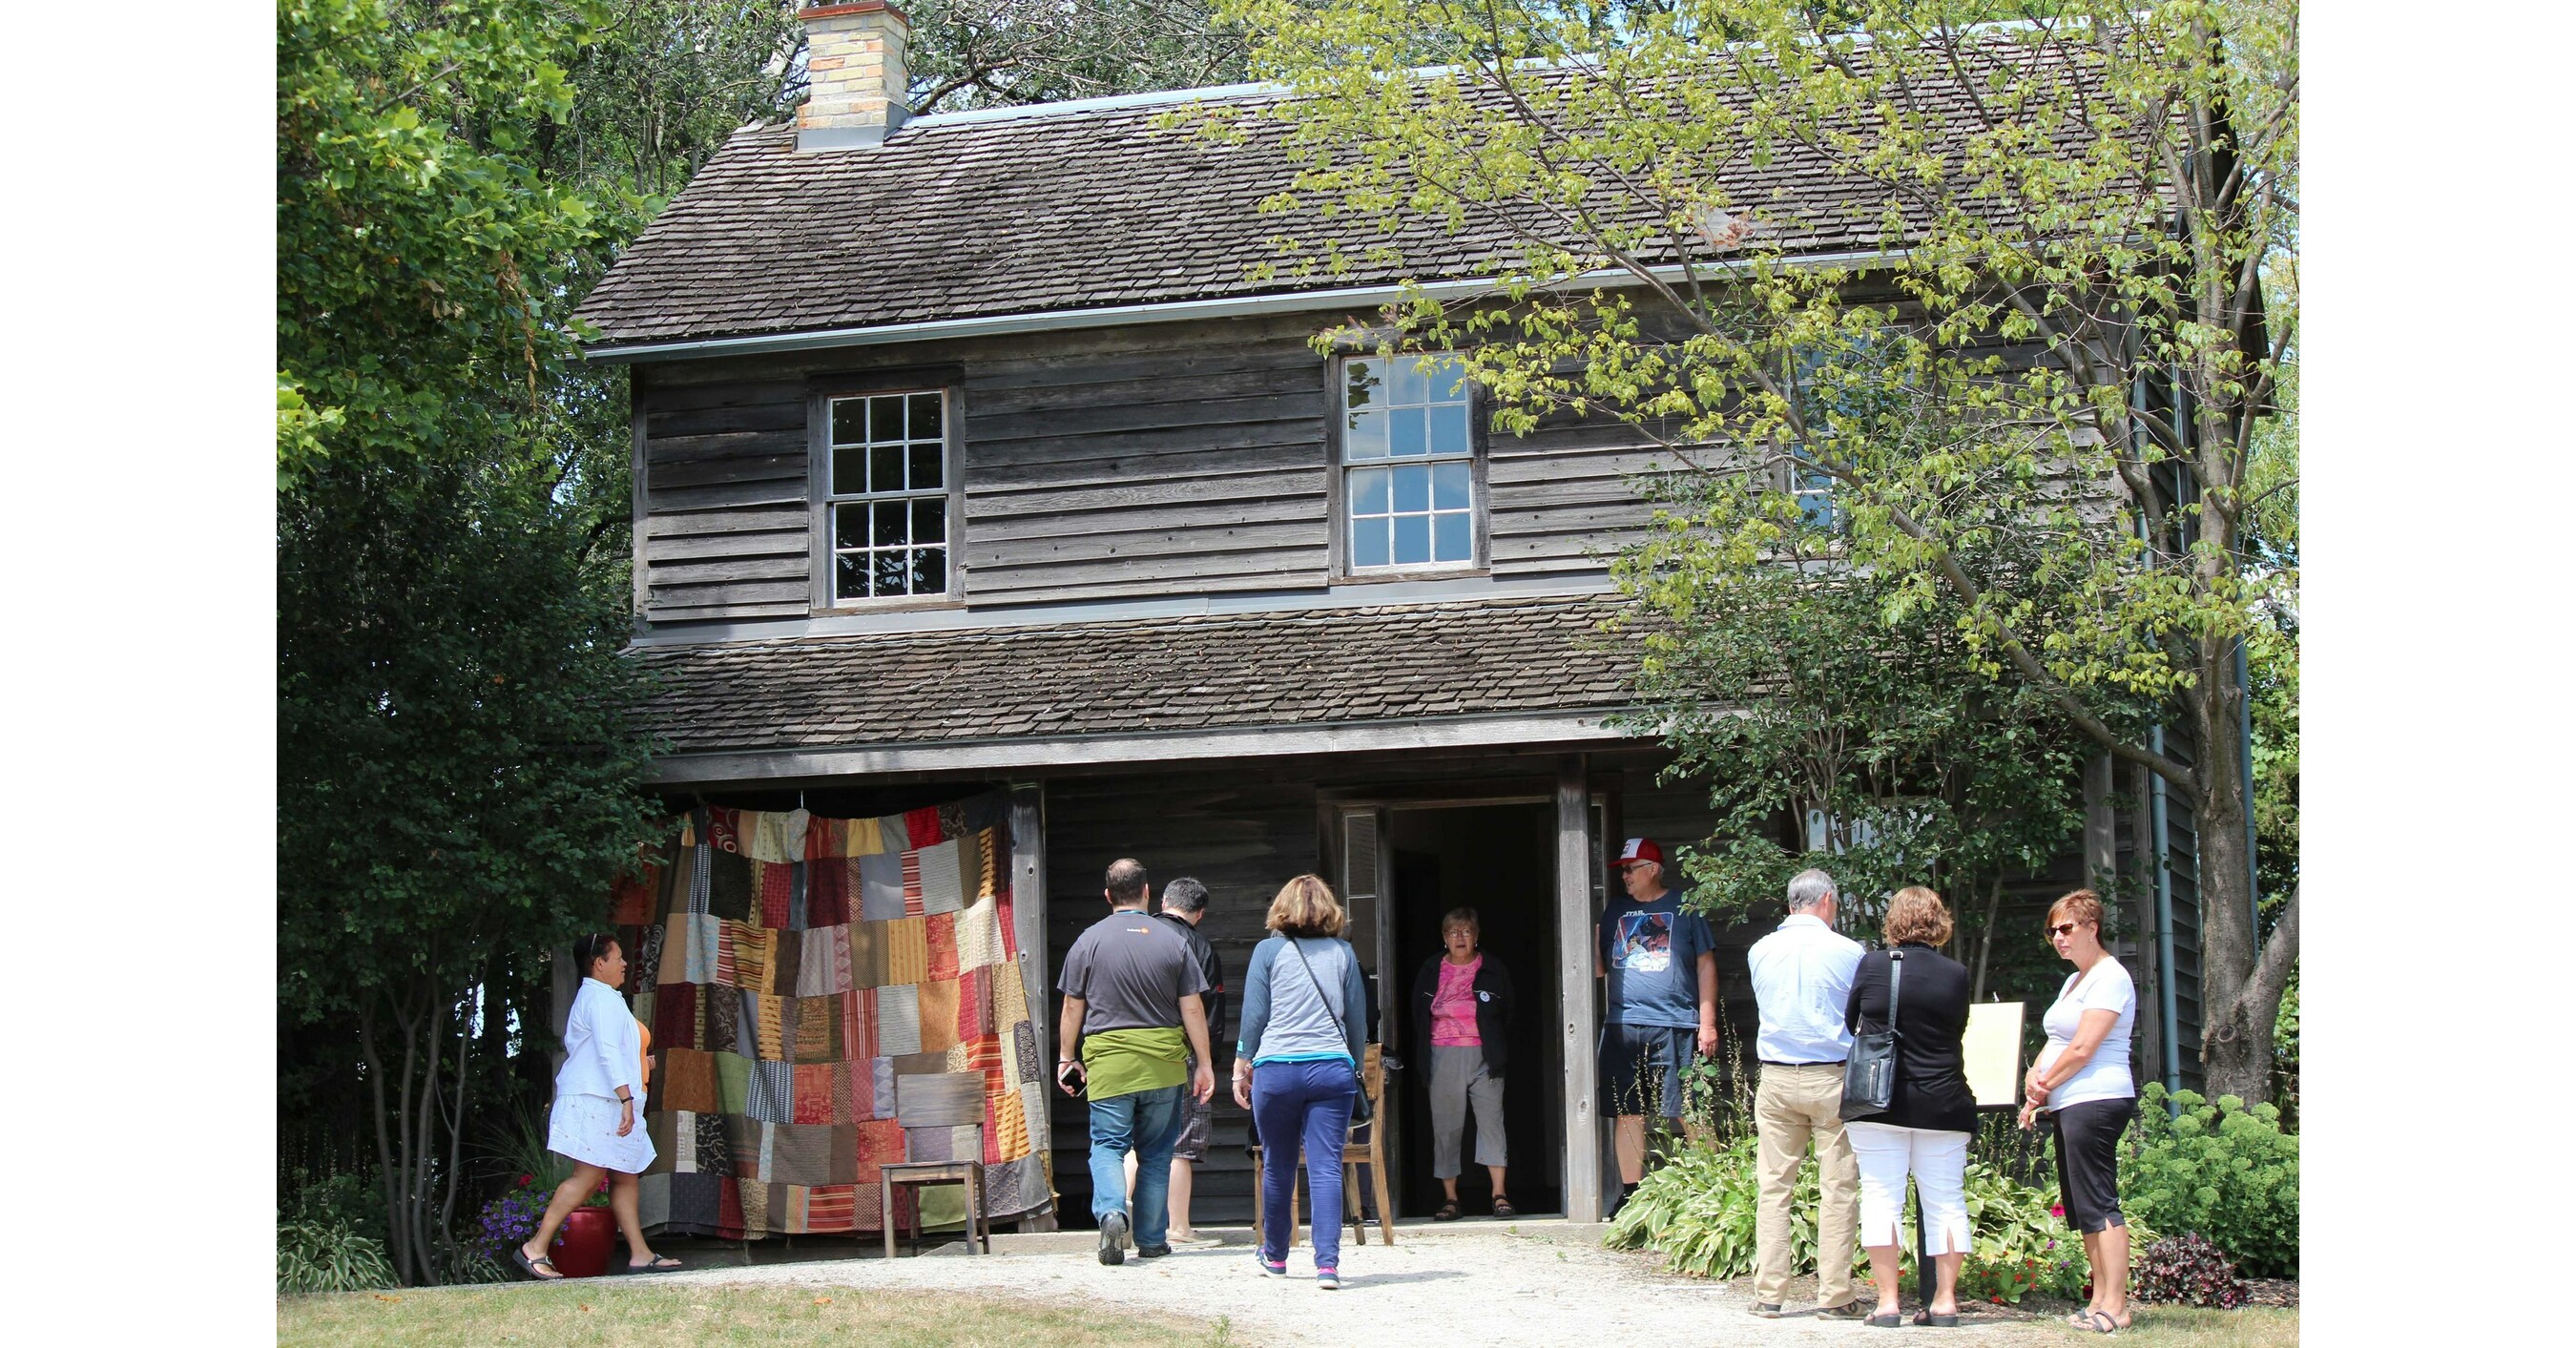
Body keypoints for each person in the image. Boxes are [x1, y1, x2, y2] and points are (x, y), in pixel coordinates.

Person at [1057, 859, 1216, 1267]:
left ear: (1107, 895)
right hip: (1164, 1066)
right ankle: (1151, 1239)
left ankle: (1113, 1211)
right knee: (1157, 1153)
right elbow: (1193, 1009)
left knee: (1109, 1147)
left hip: (1110, 1065)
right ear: (1147, 892)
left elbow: (1073, 1006)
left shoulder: (1088, 941)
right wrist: (1204, 1064)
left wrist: (1066, 1057)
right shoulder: (1173, 942)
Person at [1842, 886, 1976, 1328]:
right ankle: (1945, 1302)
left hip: (1879, 1102)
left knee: (1881, 1197)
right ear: (1939, 922)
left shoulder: (1873, 965)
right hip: (1944, 1100)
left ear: (1893, 921)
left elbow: (1851, 1021)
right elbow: (1958, 1027)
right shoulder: (1956, 973)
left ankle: (1887, 1303)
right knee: (1947, 1200)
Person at [515, 933, 684, 1278]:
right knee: (588, 1177)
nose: (624, 963)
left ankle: (640, 1253)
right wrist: (626, 1098)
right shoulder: (599, 999)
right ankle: (535, 1247)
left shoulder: (606, 998)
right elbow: (607, 1052)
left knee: (625, 1175)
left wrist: (640, 1067)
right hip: (596, 1101)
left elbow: (608, 1052)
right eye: (618, 957)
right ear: (599, 963)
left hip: (610, 1100)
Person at [1233, 874, 1369, 1291]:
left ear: (1281, 908)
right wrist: (1353, 1064)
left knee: (1278, 1165)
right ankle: (1327, 1266)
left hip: (1277, 1070)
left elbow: (1255, 1015)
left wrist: (1241, 1064)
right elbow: (1357, 1021)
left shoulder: (1267, 951)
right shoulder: (1344, 953)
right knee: (1327, 1167)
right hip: (1331, 1069)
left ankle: (1276, 1256)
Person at [1741, 866, 1864, 1318]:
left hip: (1776, 1075)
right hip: (1831, 1075)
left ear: (1791, 902)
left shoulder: (1759, 949)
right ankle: (1835, 1295)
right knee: (1838, 1187)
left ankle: (1769, 1294)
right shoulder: (1849, 951)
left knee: (1774, 1187)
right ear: (1827, 900)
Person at [2022, 889, 2140, 1336]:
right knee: (2083, 1205)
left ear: (2092, 927)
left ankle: (2117, 1306)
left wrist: (2044, 1083)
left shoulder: (2110, 977)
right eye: (2052, 931)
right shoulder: (2074, 981)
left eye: (2067, 928)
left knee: (2100, 1201)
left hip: (2097, 1098)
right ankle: (2098, 1301)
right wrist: (2034, 1083)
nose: (2058, 937)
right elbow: (2058, 1040)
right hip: (2069, 1100)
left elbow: (2084, 1047)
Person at [1595, 838, 1719, 1216]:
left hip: (1675, 1023)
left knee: (1689, 1108)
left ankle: (1712, 1187)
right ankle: (1631, 1195)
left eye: (1631, 869)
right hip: (1623, 1023)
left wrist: (1708, 1023)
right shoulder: (1615, 910)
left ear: (1652, 869)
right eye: (1623, 871)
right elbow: (1599, 967)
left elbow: (1705, 965)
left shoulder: (1685, 906)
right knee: (1628, 1110)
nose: (1625, 877)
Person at [1123, 876, 1227, 1248]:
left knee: (1134, 1139)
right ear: (1200, 914)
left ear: (1163, 901)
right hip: (1181, 1053)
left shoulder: (1132, 935)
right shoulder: (1199, 946)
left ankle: (1117, 1213)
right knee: (1181, 1142)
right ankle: (1179, 1227)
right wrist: (1208, 1060)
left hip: (1129, 1050)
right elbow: (1208, 1009)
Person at [1409, 907, 1515, 1220]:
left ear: (1476, 936)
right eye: (1453, 932)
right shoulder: (1431, 968)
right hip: (1443, 1054)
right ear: (1444, 937)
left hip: (1485, 1055)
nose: (1459, 937)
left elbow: (1508, 1012)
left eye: (1466, 931)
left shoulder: (1492, 968)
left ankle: (1499, 1194)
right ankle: (1451, 1199)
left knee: (1492, 1123)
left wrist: (1494, 1046)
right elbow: (1418, 1013)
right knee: (1446, 1127)